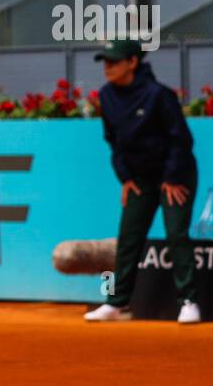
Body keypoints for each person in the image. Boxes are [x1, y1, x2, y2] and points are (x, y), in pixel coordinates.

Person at [85, 38, 201, 325]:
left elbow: (181, 139)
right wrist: (125, 178)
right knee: (128, 239)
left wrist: (172, 177)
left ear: (133, 62)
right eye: (105, 62)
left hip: (176, 174)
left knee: (176, 234)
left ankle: (189, 301)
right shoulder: (106, 96)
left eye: (114, 62)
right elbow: (114, 141)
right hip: (140, 179)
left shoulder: (158, 95)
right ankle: (117, 303)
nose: (107, 68)